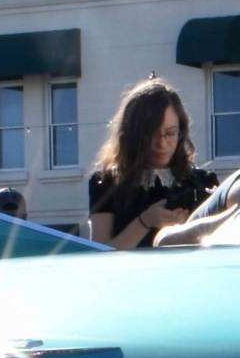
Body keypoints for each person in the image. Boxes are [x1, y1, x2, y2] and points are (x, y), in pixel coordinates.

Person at [87, 78, 216, 250]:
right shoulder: (106, 183)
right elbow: (100, 254)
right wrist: (145, 221)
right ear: (133, 134)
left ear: (181, 132)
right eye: (151, 134)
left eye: (170, 133)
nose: (161, 144)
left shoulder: (203, 182)